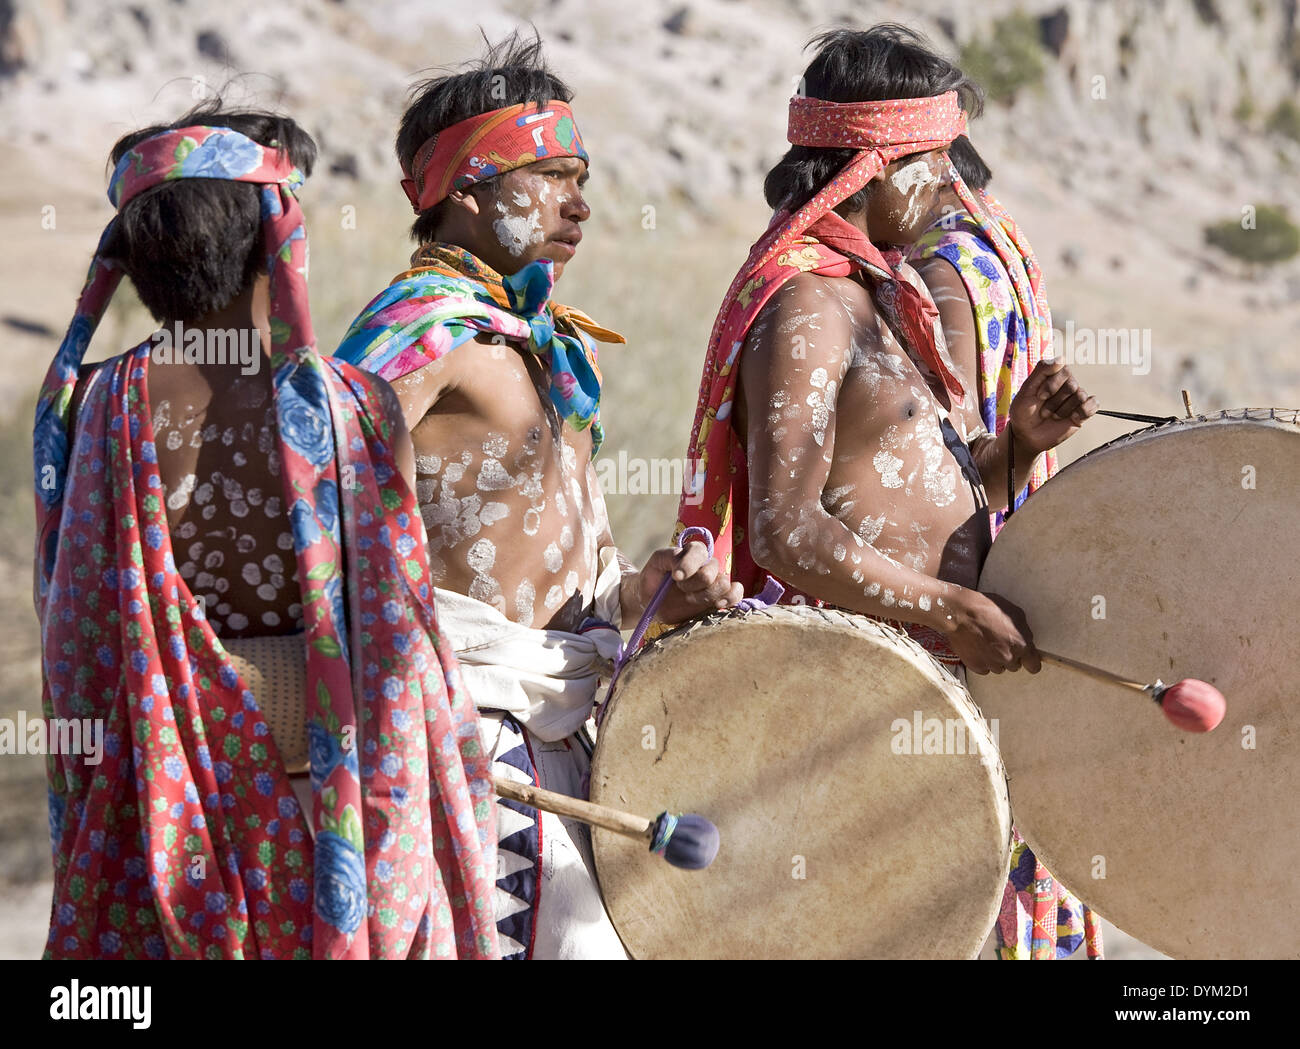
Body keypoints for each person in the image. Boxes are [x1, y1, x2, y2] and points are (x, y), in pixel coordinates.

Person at [32, 102, 499, 959]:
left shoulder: (99, 406)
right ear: (274, 241)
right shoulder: (356, 404)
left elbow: (81, 650)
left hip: (176, 829)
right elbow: (405, 646)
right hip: (338, 821)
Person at [676, 23, 1103, 956]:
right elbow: (787, 533)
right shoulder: (806, 302)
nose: (952, 186)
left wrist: (1017, 446)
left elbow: (904, 486)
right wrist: (951, 605)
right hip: (865, 708)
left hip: (927, 690)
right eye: (935, 161)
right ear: (876, 168)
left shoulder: (871, 292)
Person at [335, 32, 740, 960]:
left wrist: (654, 596)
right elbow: (318, 522)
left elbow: (574, 586)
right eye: (549, 175)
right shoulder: (415, 340)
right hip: (465, 734)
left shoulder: (550, 352)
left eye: (581, 176)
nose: (581, 204)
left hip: (564, 727)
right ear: (466, 193)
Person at [908, 129, 1101, 959]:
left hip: (961, 595)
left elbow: (944, 463)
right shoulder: (1001, 251)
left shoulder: (938, 273)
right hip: (1011, 558)